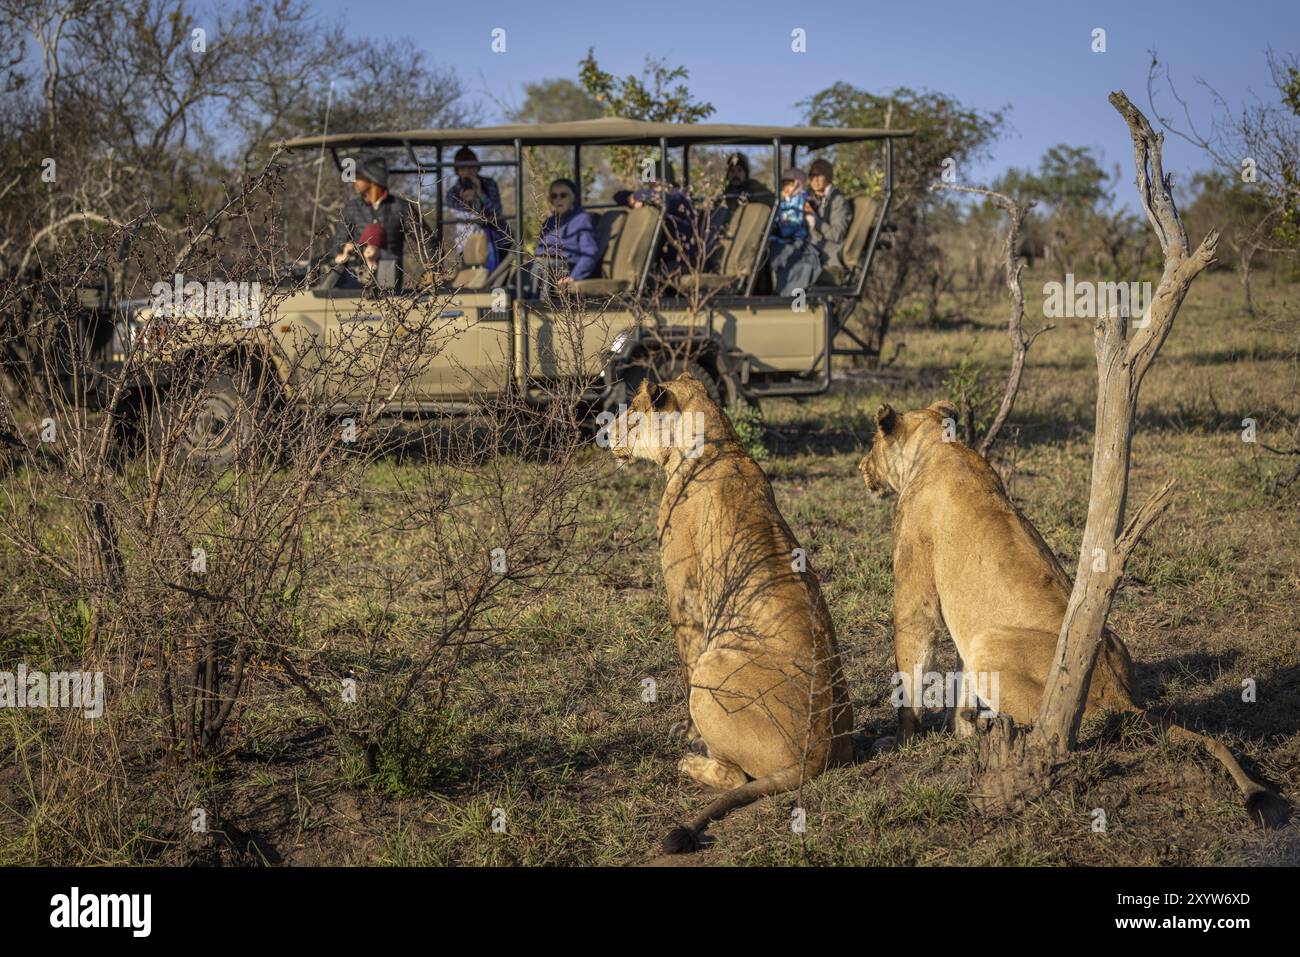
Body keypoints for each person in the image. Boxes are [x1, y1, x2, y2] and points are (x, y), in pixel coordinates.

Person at [333, 154, 428, 284]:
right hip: (356, 278)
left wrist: (432, 271)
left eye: (359, 177)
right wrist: (344, 251)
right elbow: (337, 242)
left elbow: (425, 240)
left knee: (387, 263)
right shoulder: (351, 208)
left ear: (373, 179)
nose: (354, 180)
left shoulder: (401, 207)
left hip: (389, 277)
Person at [614, 180, 699, 279]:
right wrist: (631, 198)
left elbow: (665, 197)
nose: (653, 189)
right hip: (660, 259)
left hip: (680, 260)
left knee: (655, 278)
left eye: (657, 185)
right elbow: (618, 196)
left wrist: (638, 196)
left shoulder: (678, 198)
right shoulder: (653, 199)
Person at [446, 146, 506, 269]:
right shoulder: (452, 193)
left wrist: (481, 194)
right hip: (468, 243)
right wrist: (467, 202)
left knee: (498, 284)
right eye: (463, 167)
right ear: (457, 170)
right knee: (473, 282)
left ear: (477, 166)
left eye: (471, 166)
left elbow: (497, 210)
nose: (468, 170)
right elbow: (467, 217)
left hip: (497, 240)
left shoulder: (489, 184)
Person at [532, 178, 598, 291]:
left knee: (543, 267)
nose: (558, 199)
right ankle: (510, 304)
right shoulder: (549, 222)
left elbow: (590, 252)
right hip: (544, 264)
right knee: (520, 268)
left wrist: (574, 276)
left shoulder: (582, 219)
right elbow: (539, 250)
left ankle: (539, 306)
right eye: (554, 196)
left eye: (563, 195)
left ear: (573, 197)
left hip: (564, 267)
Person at [768, 167, 822, 296]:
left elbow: (793, 223)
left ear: (799, 184)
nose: (786, 187)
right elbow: (776, 217)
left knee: (788, 260)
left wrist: (778, 230)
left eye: (790, 184)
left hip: (794, 240)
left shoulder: (800, 200)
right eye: (784, 183)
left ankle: (788, 297)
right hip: (779, 238)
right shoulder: (782, 200)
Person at [805, 158, 853, 281]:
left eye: (819, 175)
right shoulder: (808, 198)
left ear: (828, 176)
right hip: (809, 249)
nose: (814, 179)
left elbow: (837, 235)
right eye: (812, 175)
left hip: (827, 257)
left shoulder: (837, 201)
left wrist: (815, 222)